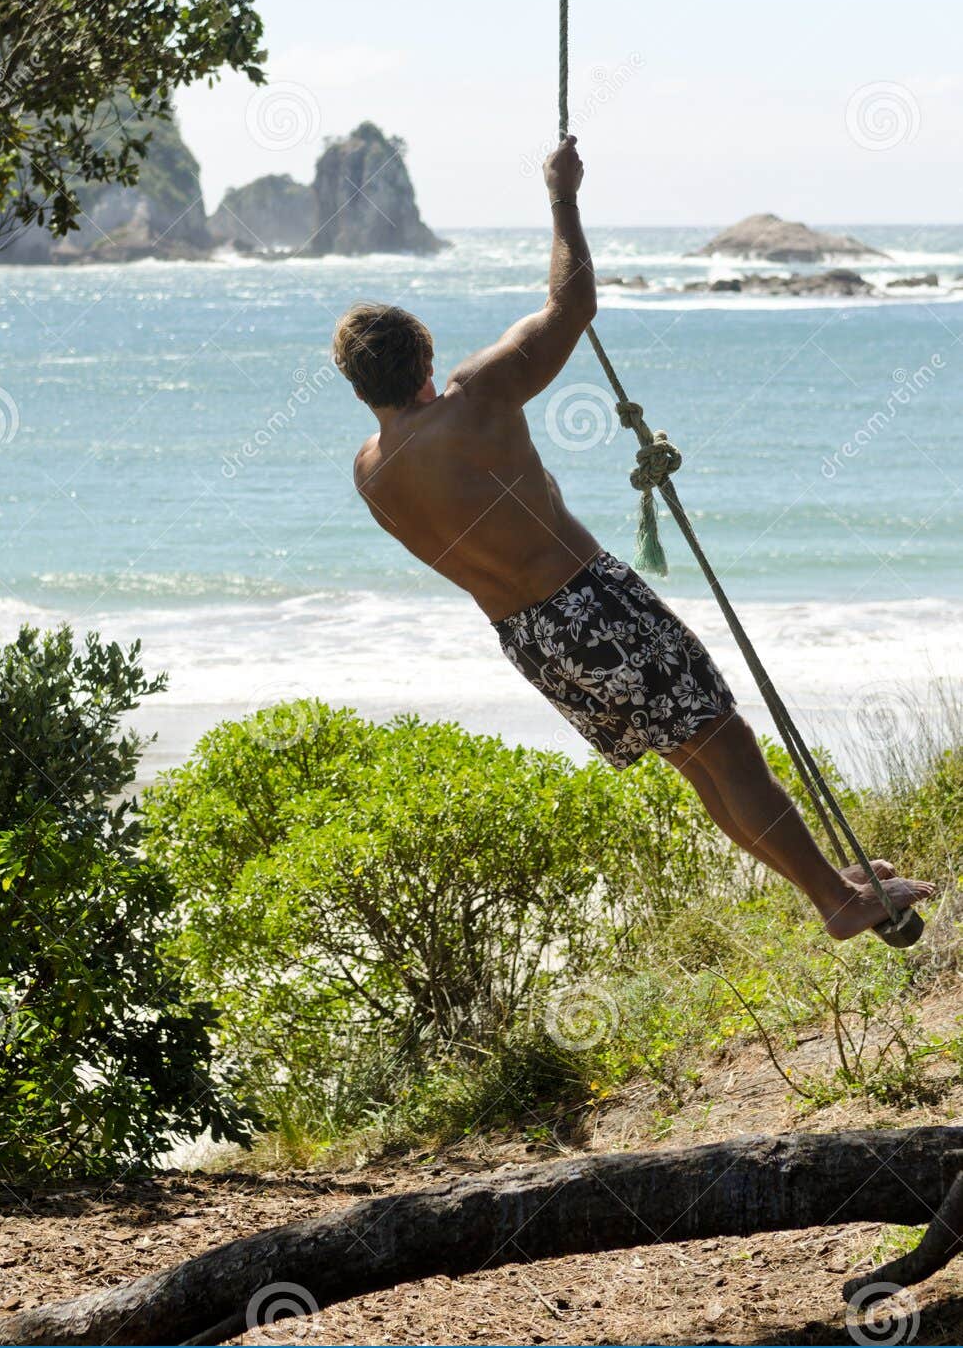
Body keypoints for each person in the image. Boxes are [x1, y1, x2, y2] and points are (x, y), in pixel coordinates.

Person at [332, 137, 932, 941]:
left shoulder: (372, 473)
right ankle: (837, 901)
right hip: (591, 605)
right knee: (727, 742)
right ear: (427, 357)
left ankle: (830, 884)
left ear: (355, 384)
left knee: (701, 763)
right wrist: (561, 196)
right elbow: (571, 306)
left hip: (531, 640)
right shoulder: (473, 399)